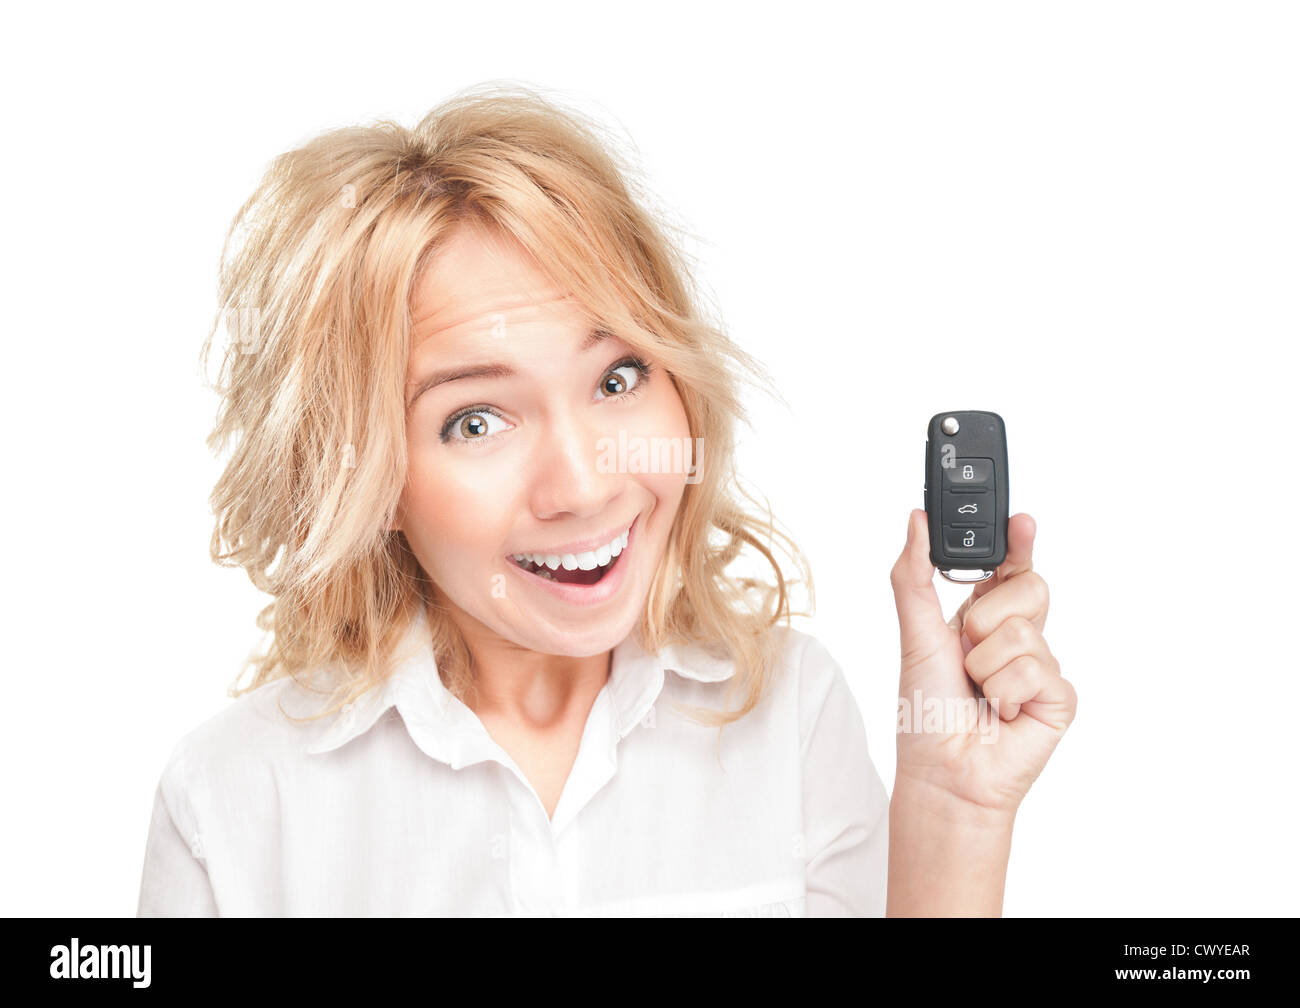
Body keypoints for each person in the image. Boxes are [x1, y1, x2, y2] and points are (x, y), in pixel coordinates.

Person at [137, 82, 1076, 917]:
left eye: (619, 377)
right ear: (365, 475)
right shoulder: (231, 801)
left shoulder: (790, 714)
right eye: (476, 421)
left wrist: (957, 819)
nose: (584, 485)